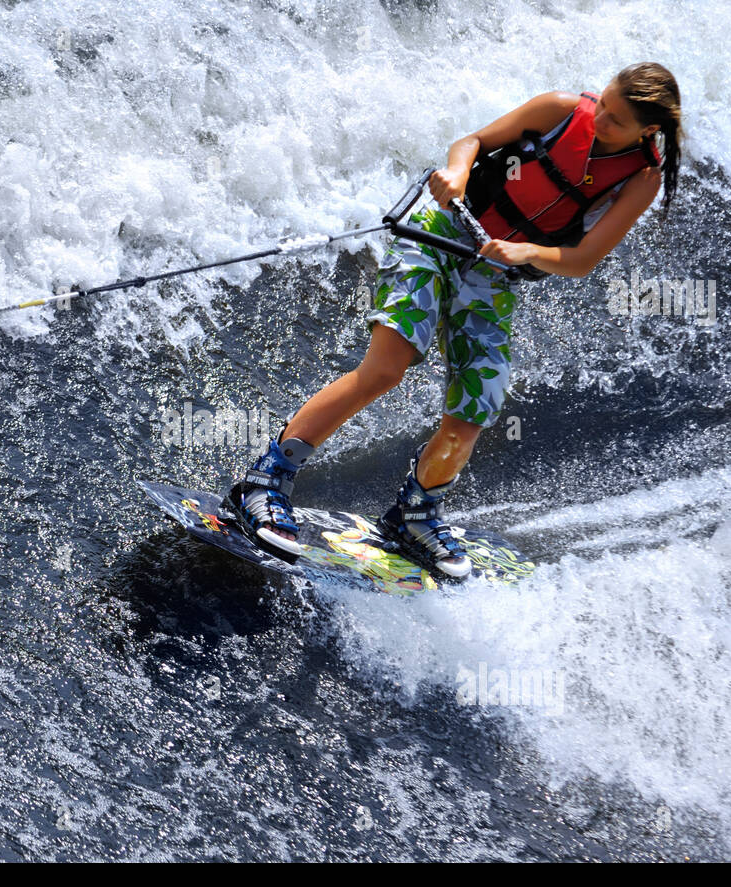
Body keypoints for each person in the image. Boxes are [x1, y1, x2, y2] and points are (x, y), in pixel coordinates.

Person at [226, 62, 683, 576]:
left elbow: (581, 261)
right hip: (437, 234)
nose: (600, 118)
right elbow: (471, 142)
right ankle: (265, 481)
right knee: (384, 371)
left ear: (648, 130)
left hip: (495, 271)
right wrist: (458, 173)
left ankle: (414, 515)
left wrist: (525, 252)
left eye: (616, 119)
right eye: (603, 103)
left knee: (475, 407)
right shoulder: (559, 110)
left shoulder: (642, 178)